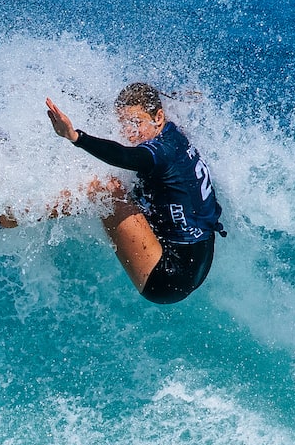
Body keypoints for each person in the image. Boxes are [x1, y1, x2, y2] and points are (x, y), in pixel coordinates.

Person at [30, 82, 224, 305]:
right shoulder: (172, 133)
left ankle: (9, 218)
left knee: (105, 188)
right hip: (200, 257)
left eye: (135, 123)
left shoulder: (161, 153)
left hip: (168, 277)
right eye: (123, 124)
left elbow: (123, 156)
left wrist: (75, 136)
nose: (129, 132)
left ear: (158, 117)